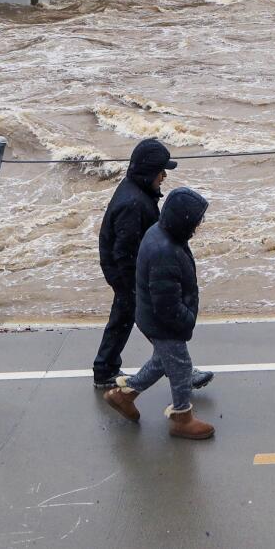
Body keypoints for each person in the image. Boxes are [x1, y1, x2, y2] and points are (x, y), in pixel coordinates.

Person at [93, 139, 214, 392]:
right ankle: (181, 371)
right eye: (161, 170)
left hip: (128, 269)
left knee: (124, 317)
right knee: (158, 325)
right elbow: (123, 252)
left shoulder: (138, 192)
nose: (164, 175)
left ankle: (105, 368)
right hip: (128, 272)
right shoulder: (134, 204)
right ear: (149, 173)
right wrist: (136, 288)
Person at [104, 187, 215, 440]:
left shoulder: (160, 233)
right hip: (164, 322)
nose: (199, 225)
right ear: (183, 221)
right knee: (181, 366)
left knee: (162, 361)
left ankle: (125, 394)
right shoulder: (165, 251)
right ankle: (181, 417)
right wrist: (185, 321)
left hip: (151, 316)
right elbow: (166, 303)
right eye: (197, 221)